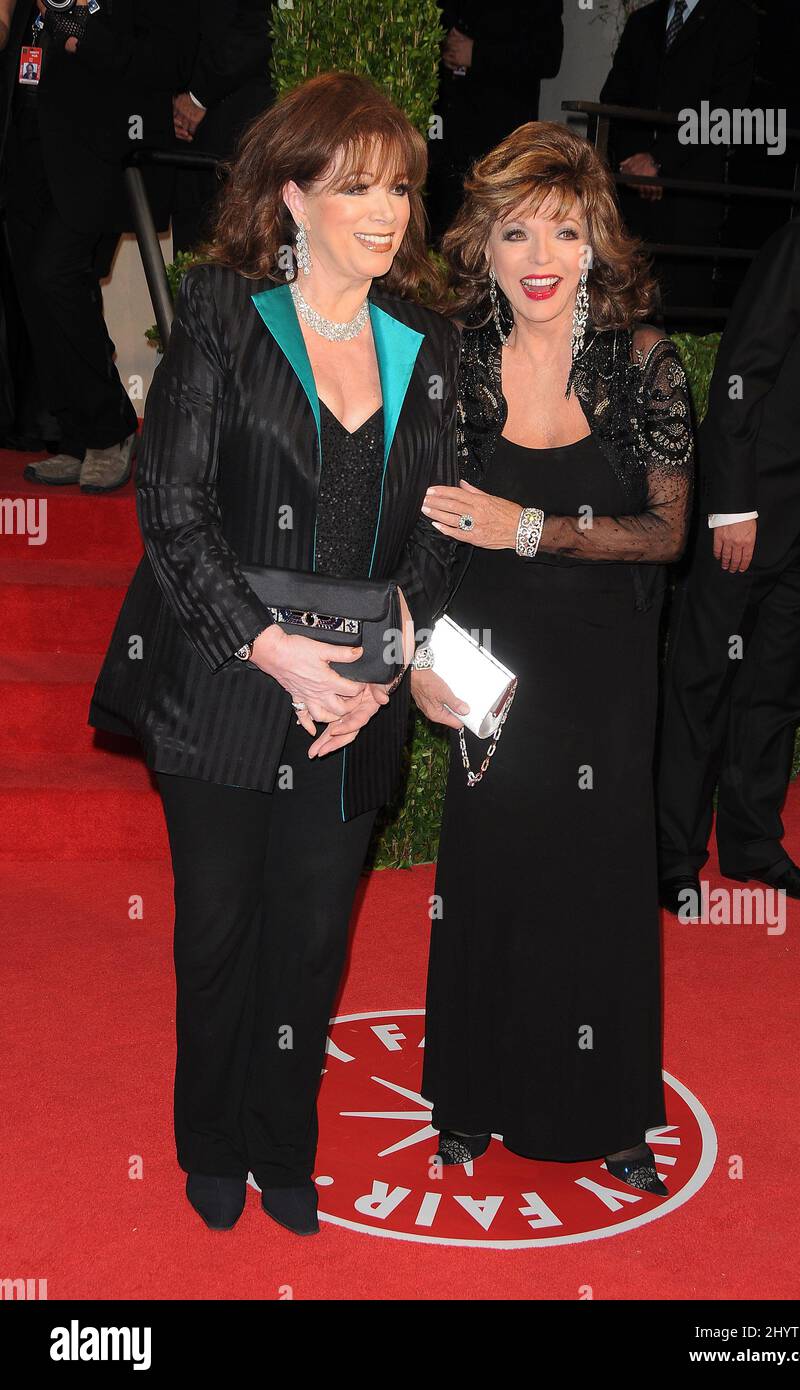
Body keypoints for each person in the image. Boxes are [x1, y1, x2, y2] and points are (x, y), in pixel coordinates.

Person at [87, 71, 460, 1235]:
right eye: (357, 185)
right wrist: (271, 649)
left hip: (359, 695)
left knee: (311, 936)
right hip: (225, 683)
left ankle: (280, 1141)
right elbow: (174, 507)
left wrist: (388, 662)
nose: (386, 209)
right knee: (220, 928)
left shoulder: (428, 343)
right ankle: (209, 1137)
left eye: (399, 184)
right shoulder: (219, 313)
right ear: (294, 196)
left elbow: (445, 520)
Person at [412, 122, 694, 1192]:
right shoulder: (459, 360)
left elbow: (667, 535)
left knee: (594, 879)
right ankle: (470, 1097)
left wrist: (525, 526)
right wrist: (418, 649)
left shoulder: (642, 366)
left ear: (596, 246)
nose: (540, 256)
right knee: (489, 872)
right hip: (489, 662)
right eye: (517, 229)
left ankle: (609, 1110)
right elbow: (427, 526)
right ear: (482, 245)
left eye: (566, 231)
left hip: (601, 668)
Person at [656, 190, 800, 914]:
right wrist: (732, 506)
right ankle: (673, 858)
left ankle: (753, 846)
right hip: (747, 516)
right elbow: (740, 376)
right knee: (702, 683)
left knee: (777, 690)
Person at [7, 0, 184, 490]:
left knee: (55, 273)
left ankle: (110, 428)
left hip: (99, 150)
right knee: (36, 290)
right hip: (26, 141)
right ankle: (76, 433)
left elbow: (165, 58)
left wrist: (81, 25)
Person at [600, 0, 759, 318]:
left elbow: (726, 109)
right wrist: (638, 165)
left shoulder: (735, 20)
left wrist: (659, 161)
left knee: (681, 311)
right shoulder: (642, 20)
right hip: (633, 193)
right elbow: (614, 98)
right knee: (622, 304)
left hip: (690, 193)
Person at [426, 2, 564, 245]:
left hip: (500, 133)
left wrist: (477, 53)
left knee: (494, 224)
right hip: (443, 126)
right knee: (439, 224)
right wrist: (442, 48)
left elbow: (548, 56)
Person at [170, 0, 274, 256]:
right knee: (192, 247)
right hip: (188, 120)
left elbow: (257, 26)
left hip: (237, 118)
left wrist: (196, 97)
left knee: (238, 246)